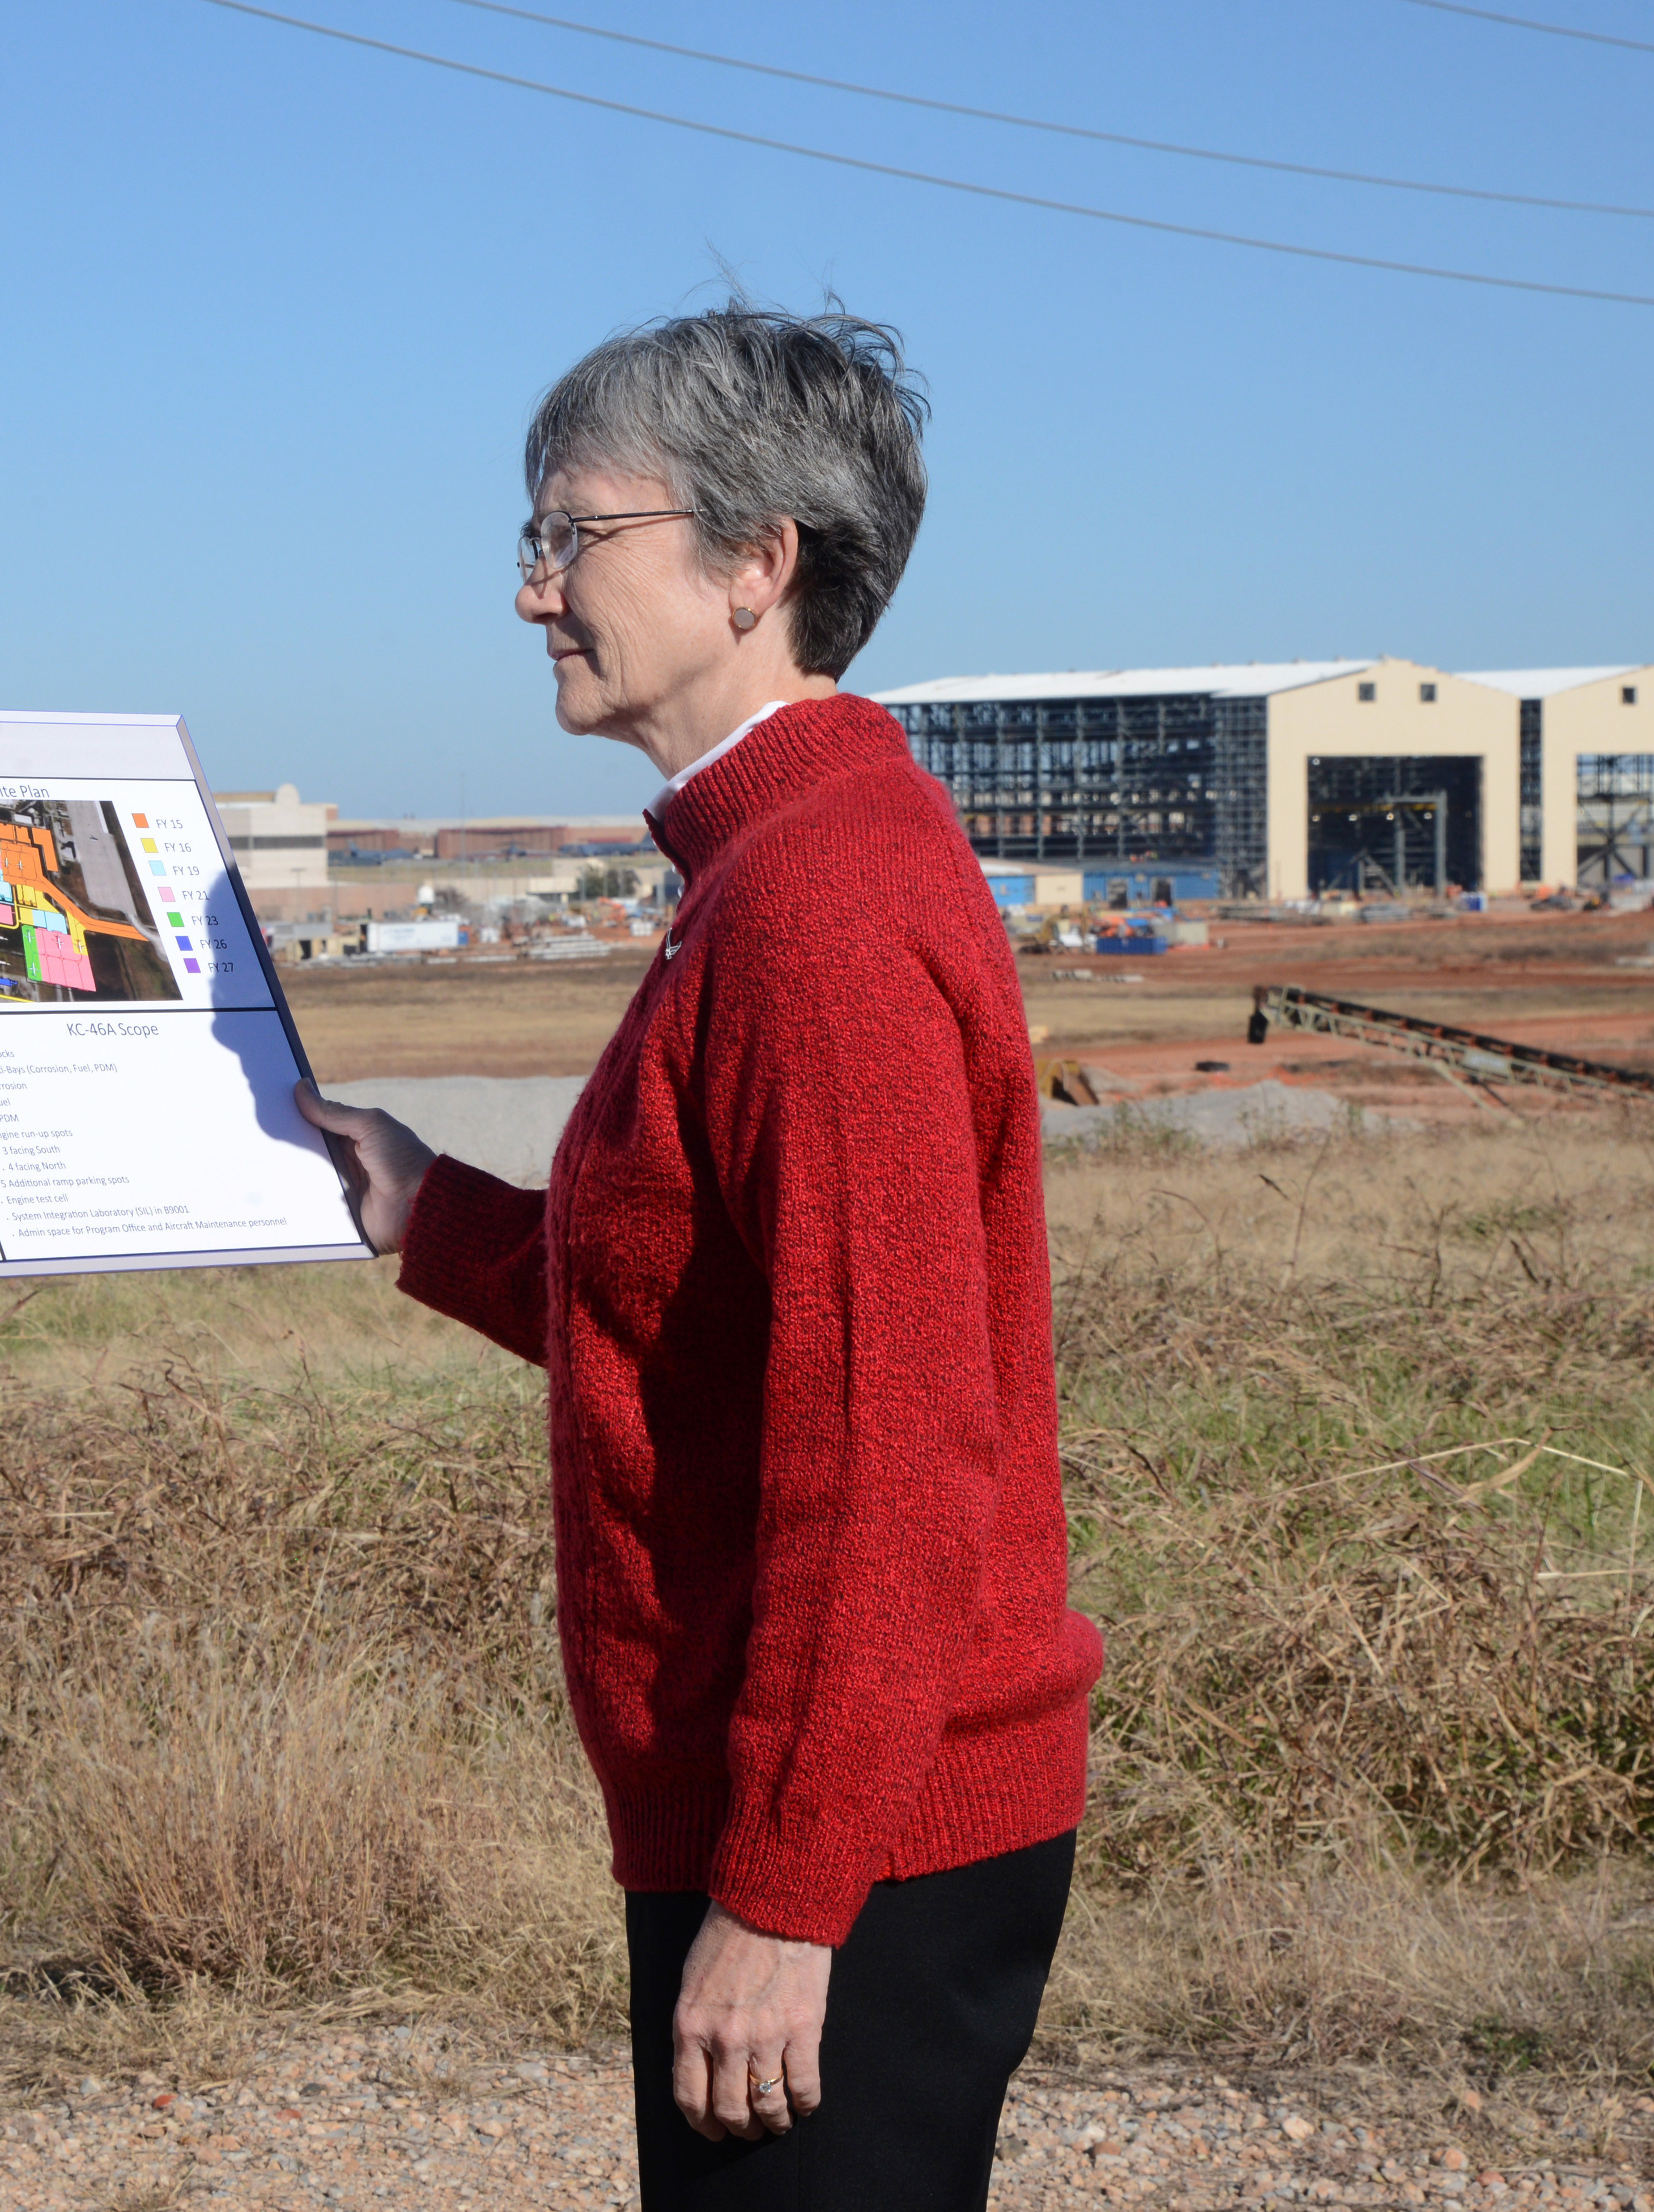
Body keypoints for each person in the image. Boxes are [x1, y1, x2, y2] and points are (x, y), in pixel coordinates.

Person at [299, 306, 1102, 2211]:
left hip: (860, 1840)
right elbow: (700, 1327)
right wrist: (434, 1213)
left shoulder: (818, 907)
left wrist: (782, 1896)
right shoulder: (769, 867)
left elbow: (890, 1450)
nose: (532, 593)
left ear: (757, 564)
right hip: (818, 1810)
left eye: (569, 535)